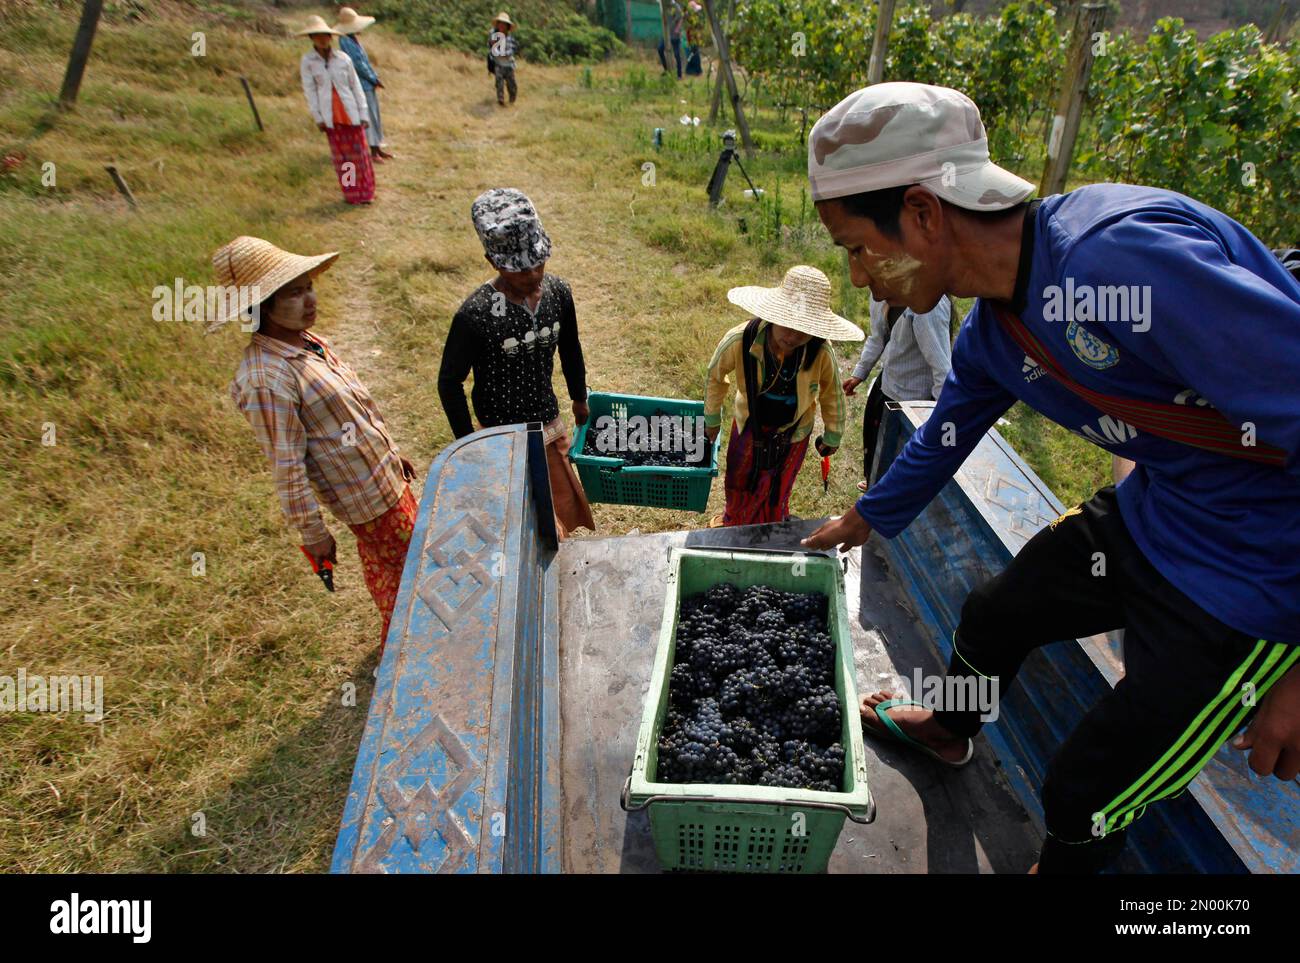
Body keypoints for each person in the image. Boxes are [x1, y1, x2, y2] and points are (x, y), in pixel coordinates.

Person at [801, 82, 1300, 874]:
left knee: (1086, 789)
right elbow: (948, 432)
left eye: (857, 247)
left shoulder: (1121, 256)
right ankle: (950, 727)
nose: (860, 276)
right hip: (1160, 511)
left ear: (926, 214)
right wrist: (860, 519)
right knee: (998, 612)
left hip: (1253, 580)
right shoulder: (998, 328)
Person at [212, 236, 418, 654]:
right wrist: (313, 533)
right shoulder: (265, 378)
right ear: (264, 305)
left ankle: (407, 647)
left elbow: (355, 408)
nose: (309, 299)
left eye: (308, 286)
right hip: (365, 499)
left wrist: (392, 453)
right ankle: (409, 656)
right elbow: (287, 465)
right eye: (293, 292)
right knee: (412, 576)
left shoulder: (308, 342)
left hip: (385, 480)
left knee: (396, 568)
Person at [437, 188, 595, 539]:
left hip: (547, 421)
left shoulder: (558, 293)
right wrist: (469, 444)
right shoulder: (475, 315)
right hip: (501, 433)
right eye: (521, 270)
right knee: (519, 516)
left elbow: (570, 346)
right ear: (493, 263)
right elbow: (449, 382)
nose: (534, 274)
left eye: (539, 262)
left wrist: (579, 396)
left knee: (560, 503)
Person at [704, 265, 862, 527]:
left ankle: (771, 526)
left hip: (794, 431)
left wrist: (833, 434)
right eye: (787, 324)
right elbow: (715, 376)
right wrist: (711, 419)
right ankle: (734, 524)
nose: (793, 336)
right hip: (750, 424)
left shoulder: (821, 352)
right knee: (739, 480)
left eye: (804, 328)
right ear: (774, 315)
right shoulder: (742, 339)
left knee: (778, 486)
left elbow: (832, 394)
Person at [843, 295, 952, 490]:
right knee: (876, 444)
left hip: (913, 402)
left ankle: (883, 494)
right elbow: (877, 337)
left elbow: (942, 371)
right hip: (887, 385)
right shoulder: (880, 295)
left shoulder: (928, 308)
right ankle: (874, 481)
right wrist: (860, 372)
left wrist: (936, 417)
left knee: (898, 460)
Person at [296, 15, 375, 205]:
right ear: (312, 38)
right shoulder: (308, 62)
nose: (322, 39)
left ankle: (366, 193)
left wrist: (363, 113)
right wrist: (318, 117)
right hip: (331, 117)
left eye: (325, 35)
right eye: (317, 36)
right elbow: (310, 91)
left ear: (330, 37)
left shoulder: (343, 59)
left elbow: (355, 87)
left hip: (350, 113)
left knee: (360, 156)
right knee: (344, 159)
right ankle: (351, 193)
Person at [334, 7, 394, 164]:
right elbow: (358, 64)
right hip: (361, 84)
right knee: (369, 116)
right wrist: (374, 78)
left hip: (366, 83)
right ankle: (373, 152)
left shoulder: (351, 38)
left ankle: (377, 147)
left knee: (375, 115)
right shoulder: (346, 41)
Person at [488, 12, 520, 107]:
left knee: (511, 84)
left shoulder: (510, 38)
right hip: (498, 64)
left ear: (507, 26)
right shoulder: (494, 36)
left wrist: (504, 54)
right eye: (500, 24)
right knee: (499, 83)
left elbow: (512, 49)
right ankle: (500, 100)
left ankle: (512, 99)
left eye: (503, 24)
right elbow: (491, 48)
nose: (501, 26)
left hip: (509, 65)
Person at [657, 1, 684, 79]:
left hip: (675, 35)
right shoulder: (663, 6)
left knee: (676, 54)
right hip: (667, 34)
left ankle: (679, 75)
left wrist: (677, 29)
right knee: (660, 49)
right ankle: (666, 70)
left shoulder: (675, 6)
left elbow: (681, 18)